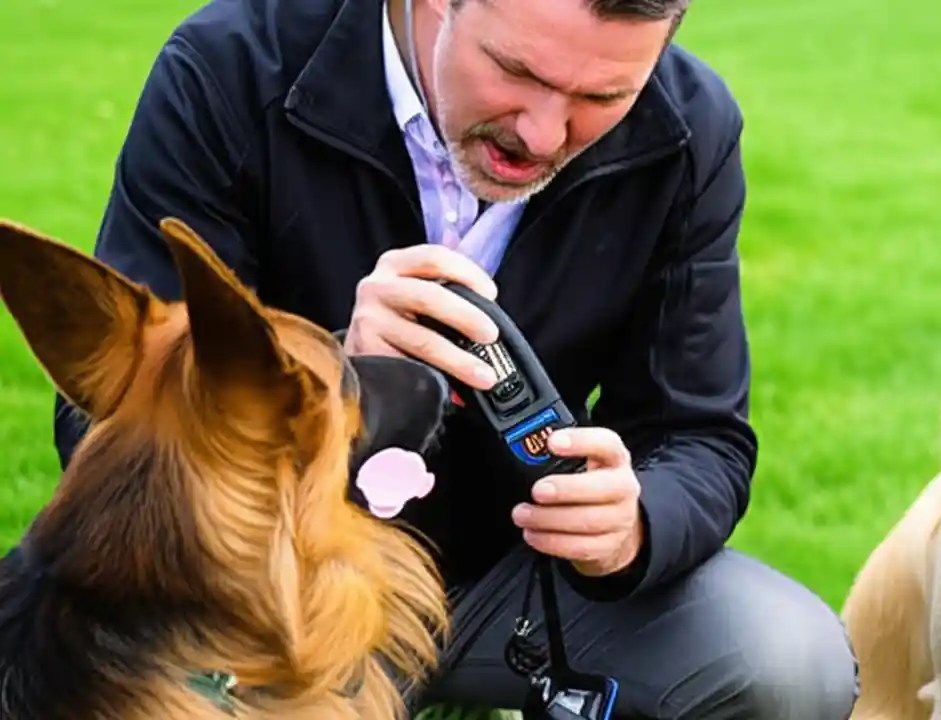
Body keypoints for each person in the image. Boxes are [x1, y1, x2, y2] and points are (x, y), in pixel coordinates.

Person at [51, 0, 861, 716]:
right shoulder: (230, 67)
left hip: (519, 584)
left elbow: (702, 434)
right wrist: (334, 367)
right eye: (515, 69)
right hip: (273, 590)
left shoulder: (688, 129)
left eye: (602, 97)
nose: (544, 132)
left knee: (786, 660)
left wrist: (637, 522)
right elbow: (106, 417)